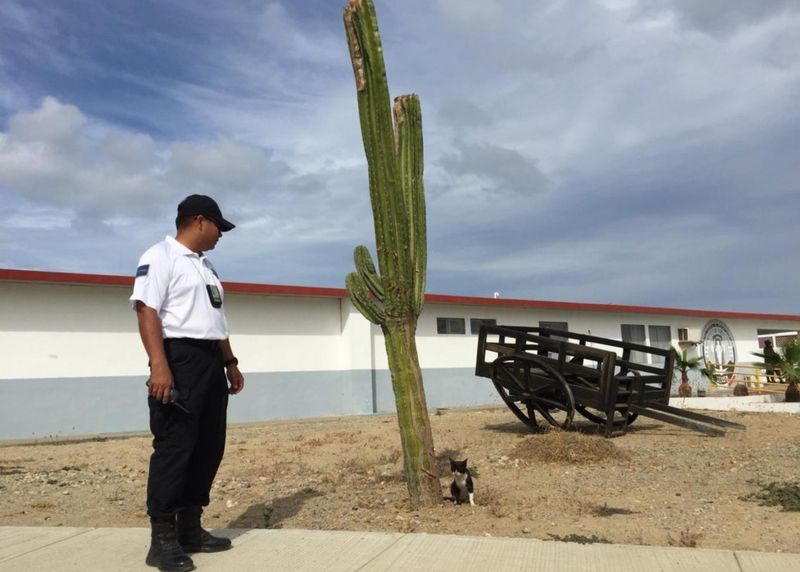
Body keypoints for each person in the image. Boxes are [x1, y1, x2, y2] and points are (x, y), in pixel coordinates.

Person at [131, 194, 245, 572]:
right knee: (175, 446)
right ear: (199, 221)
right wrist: (159, 366)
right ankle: (162, 540)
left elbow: (216, 320)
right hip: (178, 358)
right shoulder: (160, 256)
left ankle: (191, 529)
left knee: (209, 446)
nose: (221, 234)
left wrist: (229, 363)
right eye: (218, 226)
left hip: (210, 361)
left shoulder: (206, 266)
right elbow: (146, 310)